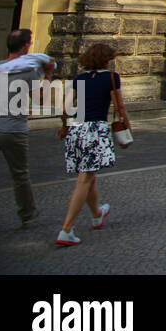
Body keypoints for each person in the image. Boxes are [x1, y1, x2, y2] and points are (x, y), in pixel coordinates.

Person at [0, 29, 54, 228]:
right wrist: (48, 75)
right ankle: (27, 214)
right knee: (19, 174)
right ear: (24, 47)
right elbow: (42, 100)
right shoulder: (28, 73)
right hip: (13, 130)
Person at [58, 43, 129, 246]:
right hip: (95, 129)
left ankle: (97, 214)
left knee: (89, 174)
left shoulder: (80, 79)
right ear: (107, 60)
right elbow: (119, 106)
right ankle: (66, 230)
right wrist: (127, 130)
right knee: (85, 179)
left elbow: (65, 108)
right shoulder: (111, 78)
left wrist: (64, 126)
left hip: (76, 128)